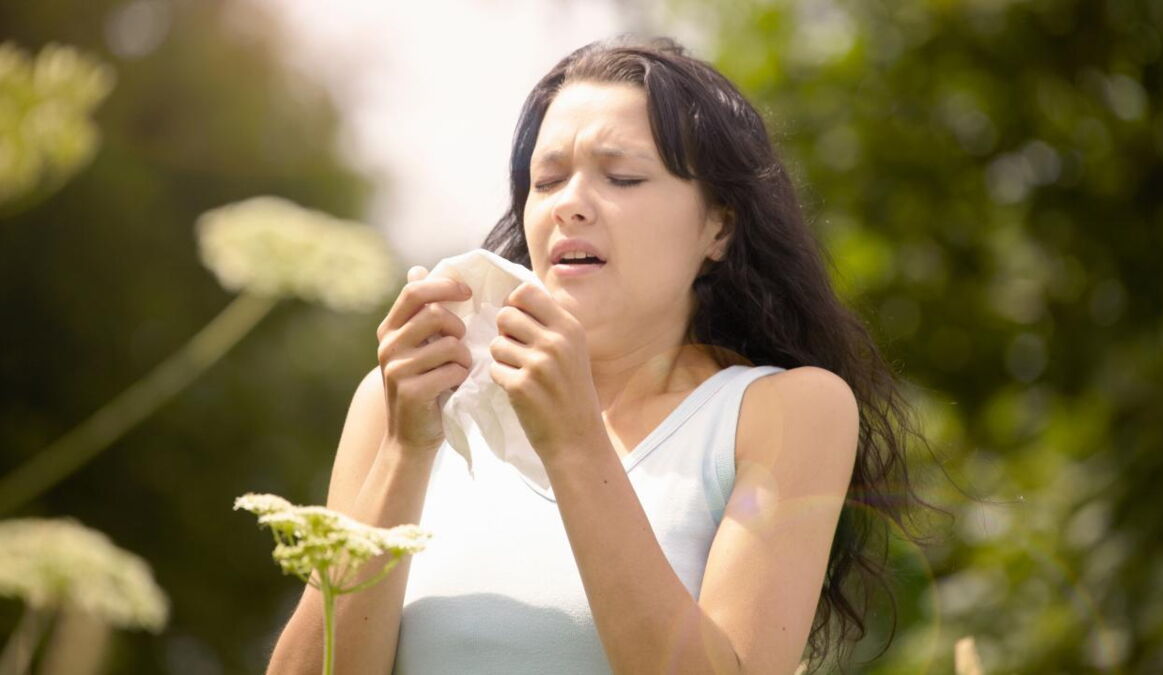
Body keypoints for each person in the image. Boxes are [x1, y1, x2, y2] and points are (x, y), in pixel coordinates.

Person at [267, 35, 941, 674]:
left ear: (718, 226)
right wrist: (405, 448)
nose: (571, 206)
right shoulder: (402, 402)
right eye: (548, 179)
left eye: (621, 177)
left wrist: (575, 441)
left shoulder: (785, 410)